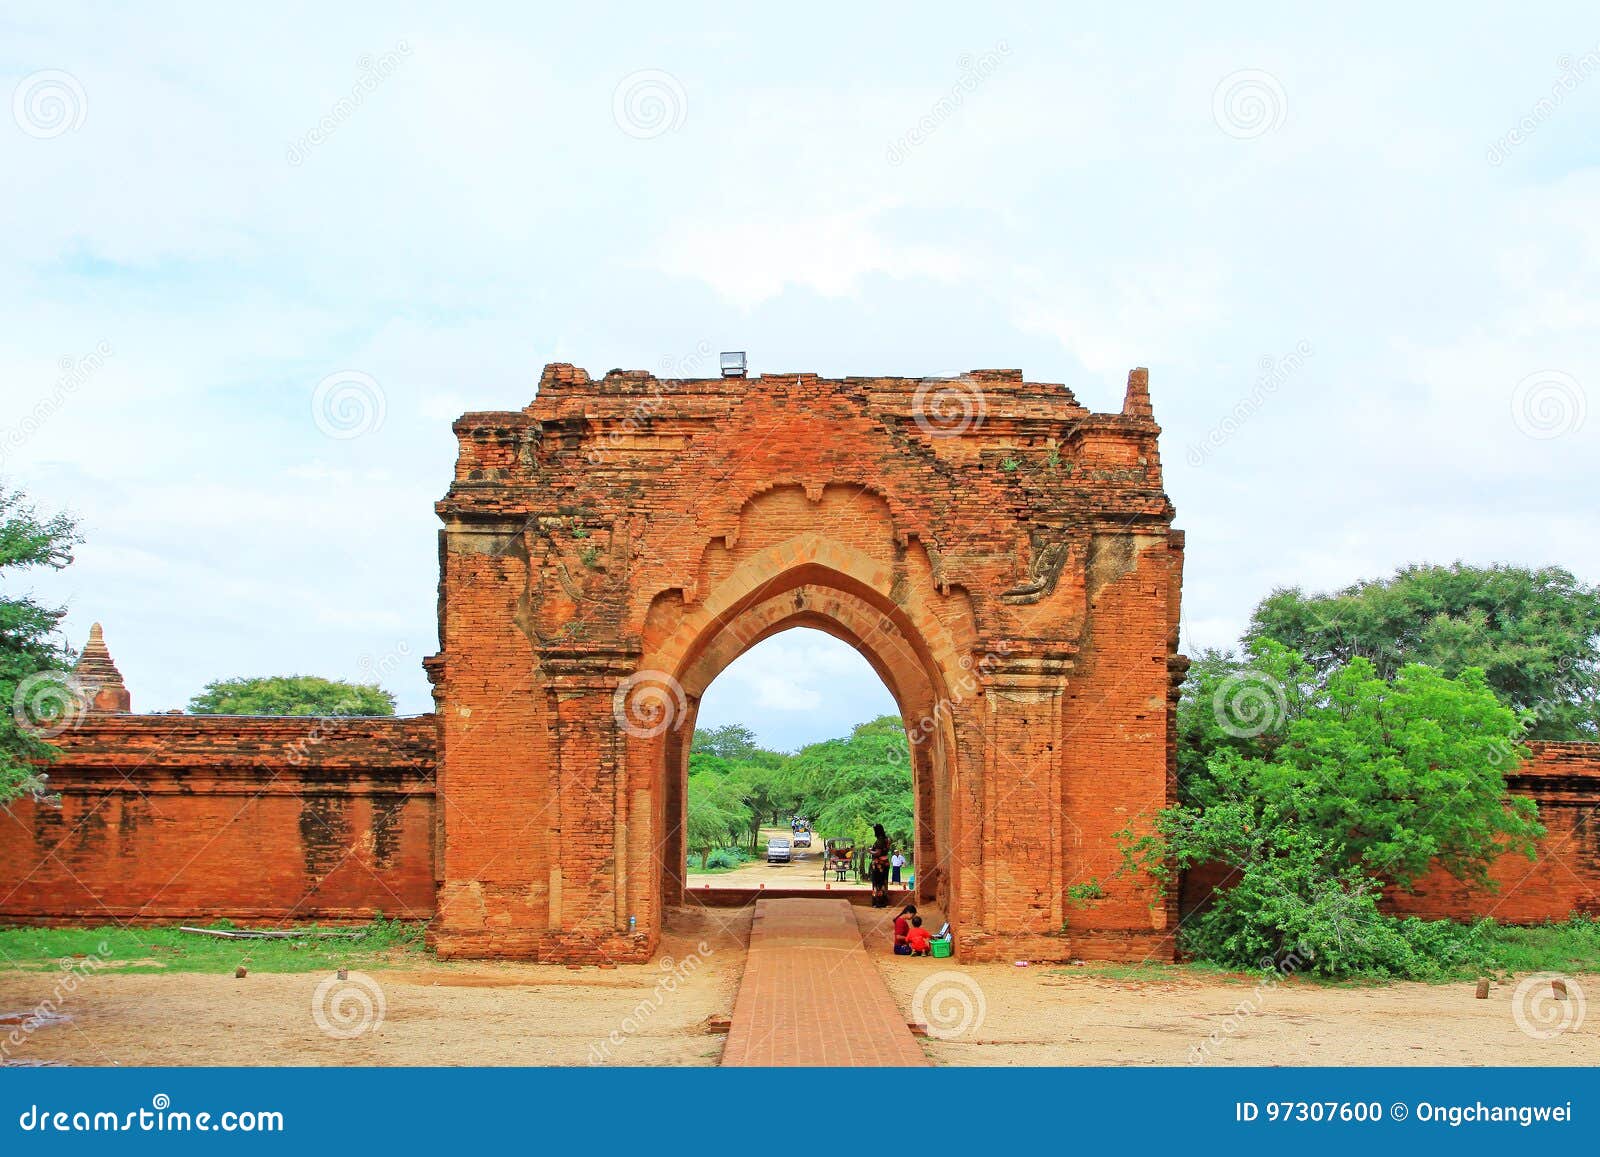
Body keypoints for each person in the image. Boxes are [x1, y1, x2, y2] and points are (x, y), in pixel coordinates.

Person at [868, 823, 891, 907]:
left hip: (879, 865)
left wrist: (870, 851)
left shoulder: (880, 840)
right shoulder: (887, 839)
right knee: (884, 882)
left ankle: (878, 903)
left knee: (877, 883)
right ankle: (884, 901)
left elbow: (878, 852)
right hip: (885, 863)